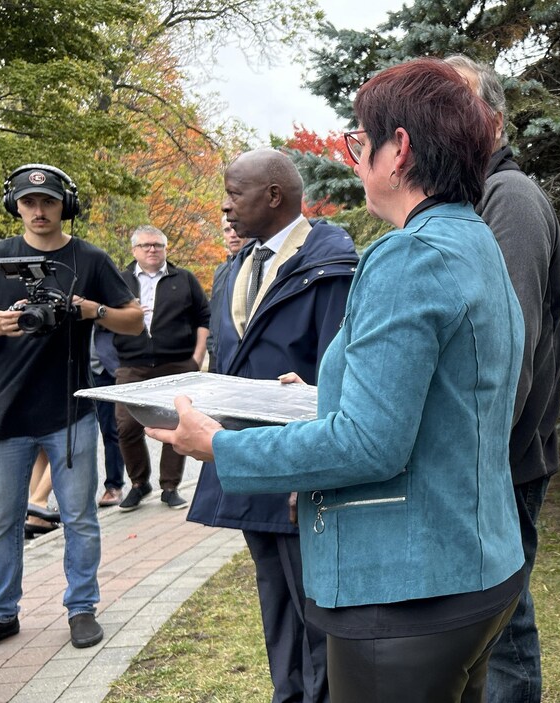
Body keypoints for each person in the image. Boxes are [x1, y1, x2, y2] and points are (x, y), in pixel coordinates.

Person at [152, 58, 526, 702]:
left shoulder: (408, 255)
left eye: (359, 142)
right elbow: (452, 394)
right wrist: (325, 395)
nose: (354, 161)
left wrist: (219, 446)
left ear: (398, 150)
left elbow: (369, 445)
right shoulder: (473, 239)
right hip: (476, 568)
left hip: (405, 588)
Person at [186, 148, 356, 703]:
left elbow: (336, 378)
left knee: (316, 611)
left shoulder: (331, 270)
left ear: (274, 195)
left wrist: (311, 474)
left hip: (300, 469)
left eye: (235, 194)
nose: (225, 206)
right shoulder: (232, 270)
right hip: (246, 462)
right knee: (275, 601)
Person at [0, 163, 143, 657]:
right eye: (28, 202)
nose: (38, 211)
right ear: (14, 206)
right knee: (1, 523)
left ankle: (81, 608)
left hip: (70, 415)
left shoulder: (90, 258)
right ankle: (0, 615)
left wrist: (92, 310)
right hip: (3, 415)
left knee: (80, 518)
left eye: (48, 202)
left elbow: (133, 322)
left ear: (66, 206)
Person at [446, 55, 560, 703]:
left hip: (504, 457)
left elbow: (507, 348)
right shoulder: (470, 199)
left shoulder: (509, 197)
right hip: (489, 454)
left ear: (493, 121)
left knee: (505, 632)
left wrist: (476, 457)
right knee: (488, 622)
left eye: (457, 106)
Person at [113, 225, 210, 511]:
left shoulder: (184, 279)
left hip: (177, 364)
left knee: (176, 424)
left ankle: (170, 487)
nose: (152, 250)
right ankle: (139, 483)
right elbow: (103, 325)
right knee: (126, 426)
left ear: (166, 249)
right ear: (134, 250)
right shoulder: (119, 281)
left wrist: (196, 358)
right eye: (145, 245)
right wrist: (112, 362)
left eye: (158, 245)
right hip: (132, 366)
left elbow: (204, 317)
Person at [90, 326, 126, 507]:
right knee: (74, 435)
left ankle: (114, 485)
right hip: (76, 370)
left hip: (106, 369)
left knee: (111, 431)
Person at [206, 216, 247, 372]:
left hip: (240, 355)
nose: (233, 234)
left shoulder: (256, 266)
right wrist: (210, 345)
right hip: (216, 356)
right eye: (227, 230)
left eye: (236, 228)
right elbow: (213, 312)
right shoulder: (221, 270)